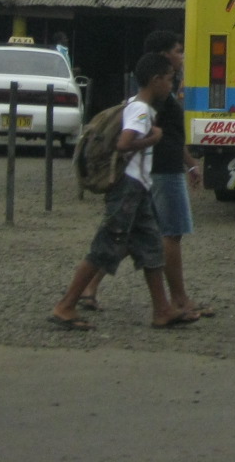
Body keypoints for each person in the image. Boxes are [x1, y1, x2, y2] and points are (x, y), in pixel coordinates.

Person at [49, 53, 189, 330]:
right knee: (106, 245)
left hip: (139, 188)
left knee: (151, 248)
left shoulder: (136, 106)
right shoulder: (140, 110)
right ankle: (65, 306)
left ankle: (162, 310)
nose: (171, 85)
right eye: (169, 79)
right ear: (155, 80)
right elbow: (124, 144)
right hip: (128, 187)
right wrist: (152, 139)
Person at [77, 31, 210, 320]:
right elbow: (135, 138)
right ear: (162, 58)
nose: (182, 56)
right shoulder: (154, 97)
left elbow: (172, 136)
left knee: (136, 235)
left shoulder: (160, 92)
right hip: (161, 170)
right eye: (178, 50)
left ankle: (91, 288)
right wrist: (156, 145)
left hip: (159, 169)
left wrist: (189, 163)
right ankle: (178, 300)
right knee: (170, 233)